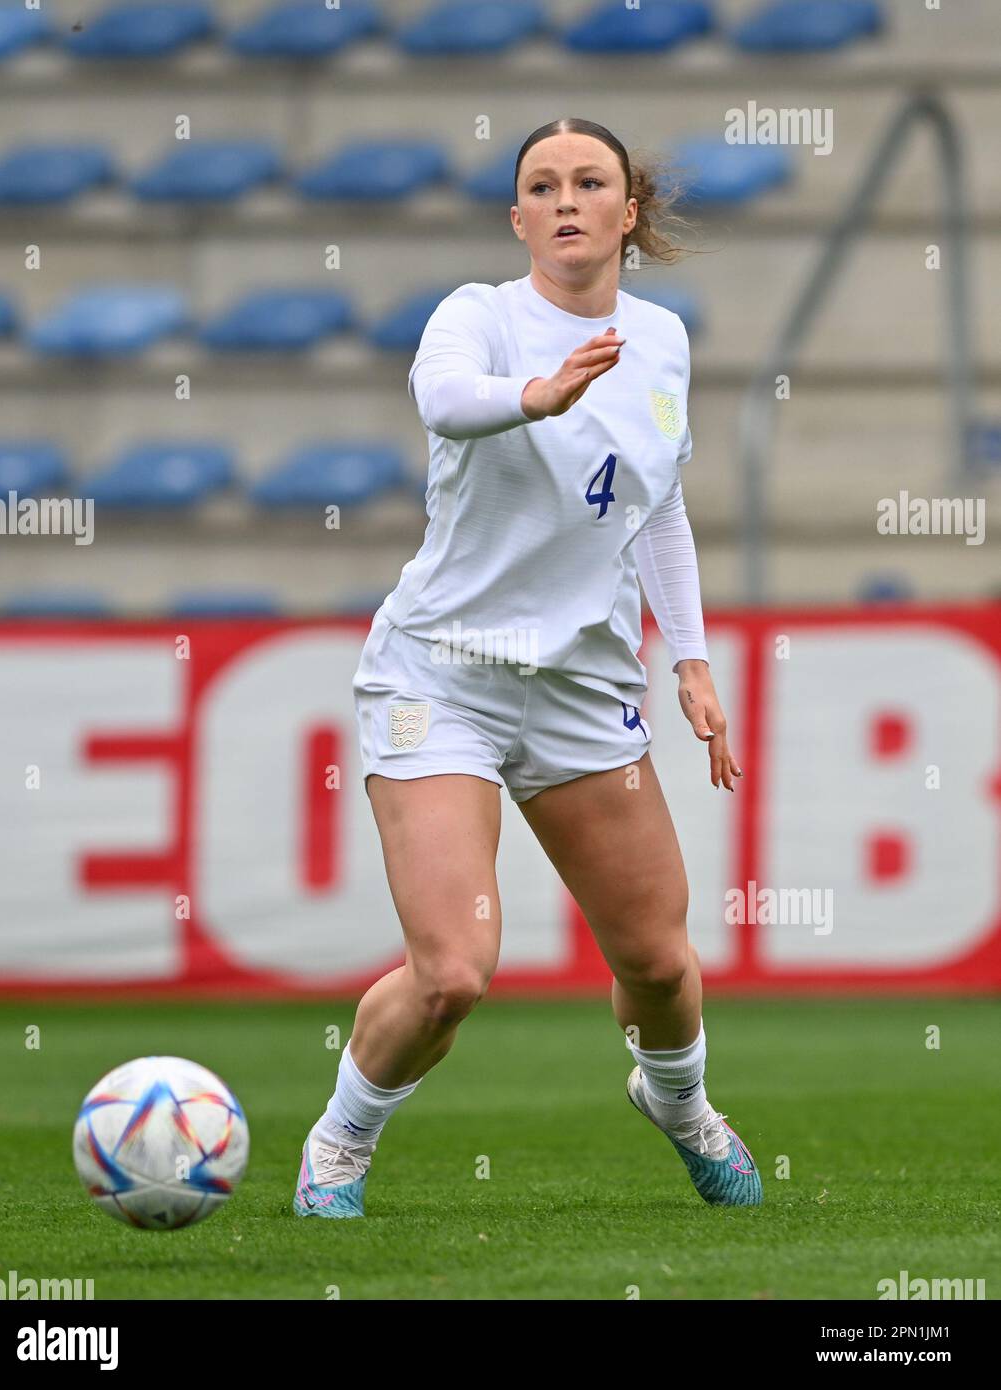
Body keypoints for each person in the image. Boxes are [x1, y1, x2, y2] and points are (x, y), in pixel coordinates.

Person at [294, 117, 761, 1219]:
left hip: (582, 689)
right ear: (517, 218)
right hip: (439, 677)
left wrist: (689, 660)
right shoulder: (479, 319)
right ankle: (338, 1143)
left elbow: (659, 504)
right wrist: (536, 396)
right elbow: (443, 401)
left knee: (655, 960)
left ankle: (678, 1103)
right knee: (453, 970)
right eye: (540, 185)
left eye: (588, 181)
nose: (565, 198)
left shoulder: (660, 342)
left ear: (624, 211)